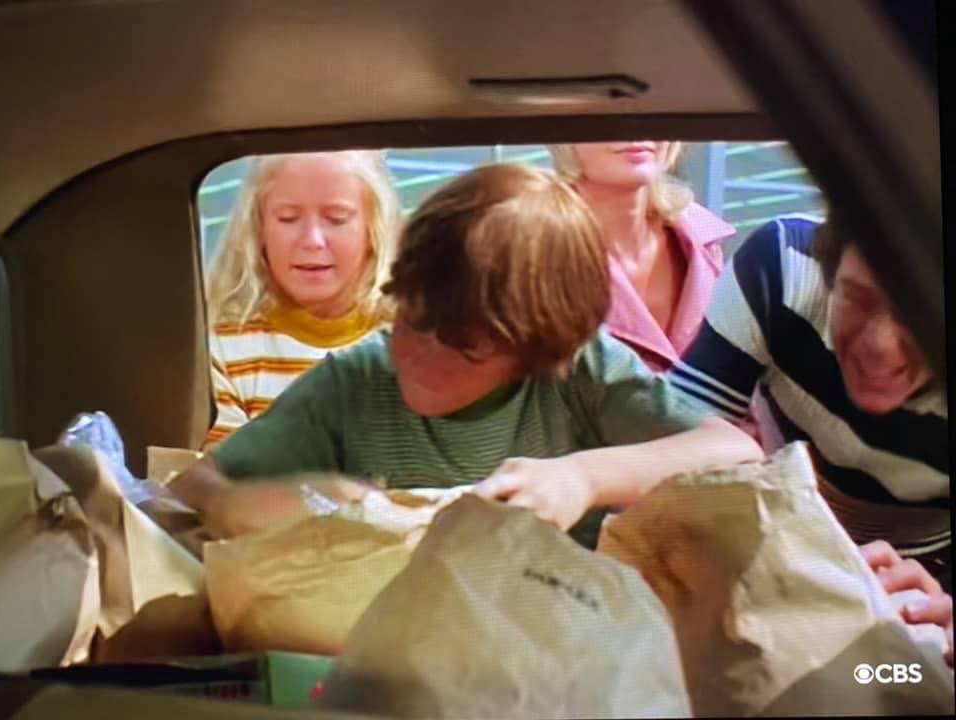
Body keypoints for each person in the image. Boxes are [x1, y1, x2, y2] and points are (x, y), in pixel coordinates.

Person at [170, 163, 763, 547]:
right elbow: (194, 485)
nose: (416, 355)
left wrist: (582, 478)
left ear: (537, 348)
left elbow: (736, 453)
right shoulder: (355, 382)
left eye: (461, 349)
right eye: (410, 321)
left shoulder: (579, 373)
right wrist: (264, 505)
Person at [668, 214, 950, 591]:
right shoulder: (783, 267)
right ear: (829, 272)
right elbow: (671, 442)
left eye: (921, 319)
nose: (881, 346)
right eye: (857, 298)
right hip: (784, 541)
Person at [203, 150, 401, 447]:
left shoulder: (414, 336)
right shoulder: (220, 345)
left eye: (336, 219)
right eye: (288, 218)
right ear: (257, 229)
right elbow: (221, 481)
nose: (311, 240)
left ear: (374, 230)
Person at [548, 142, 735, 371]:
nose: (636, 131)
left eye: (650, 112)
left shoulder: (703, 237)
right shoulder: (537, 247)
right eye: (611, 114)